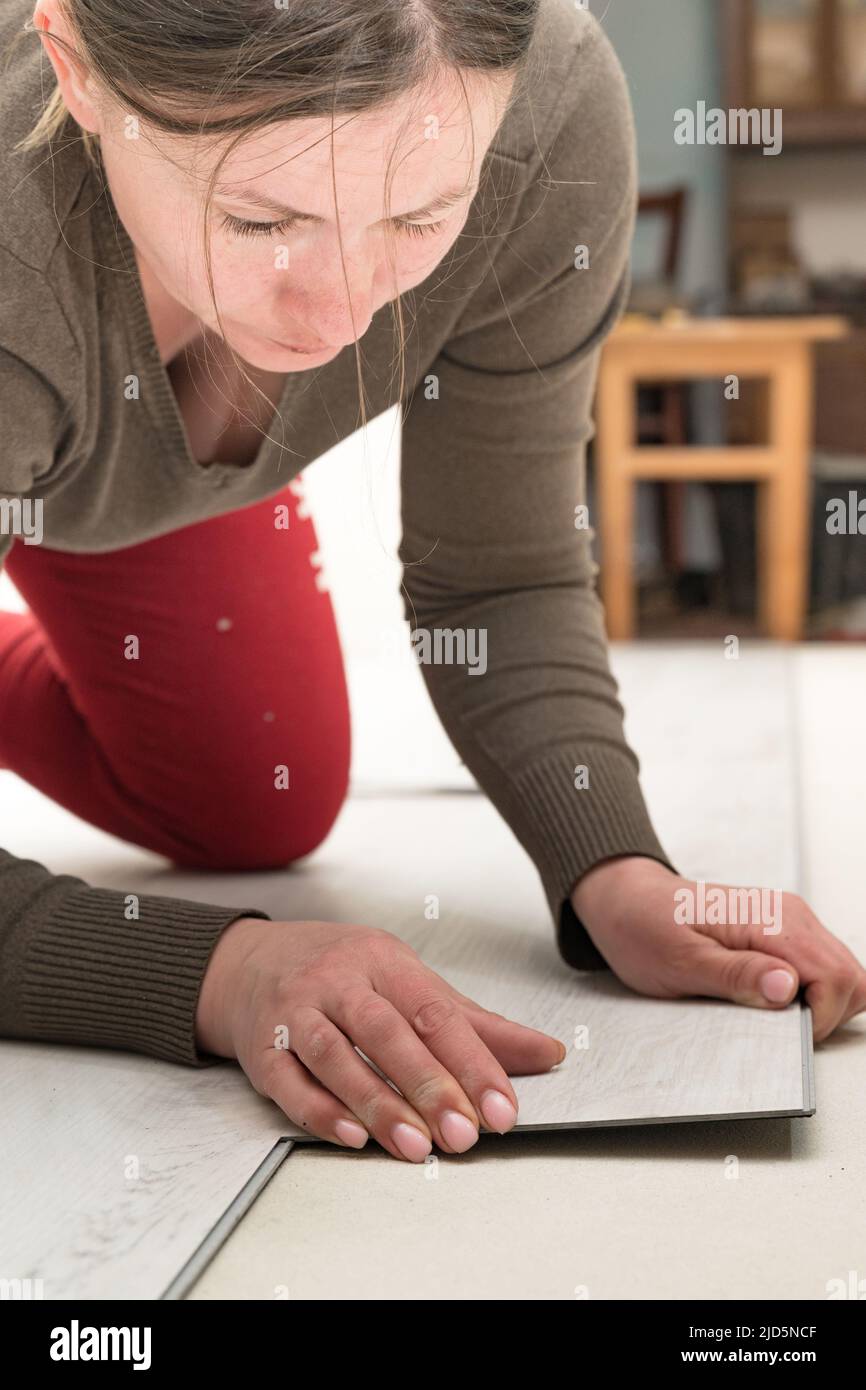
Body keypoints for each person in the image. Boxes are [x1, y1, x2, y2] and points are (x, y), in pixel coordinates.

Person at [1, 0, 863, 1166]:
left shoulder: (548, 106)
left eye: (419, 218)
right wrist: (221, 969)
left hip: (95, 451)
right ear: (77, 70)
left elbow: (499, 571)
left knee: (256, 800)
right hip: (31, 362)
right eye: (258, 219)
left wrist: (613, 867)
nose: (341, 314)